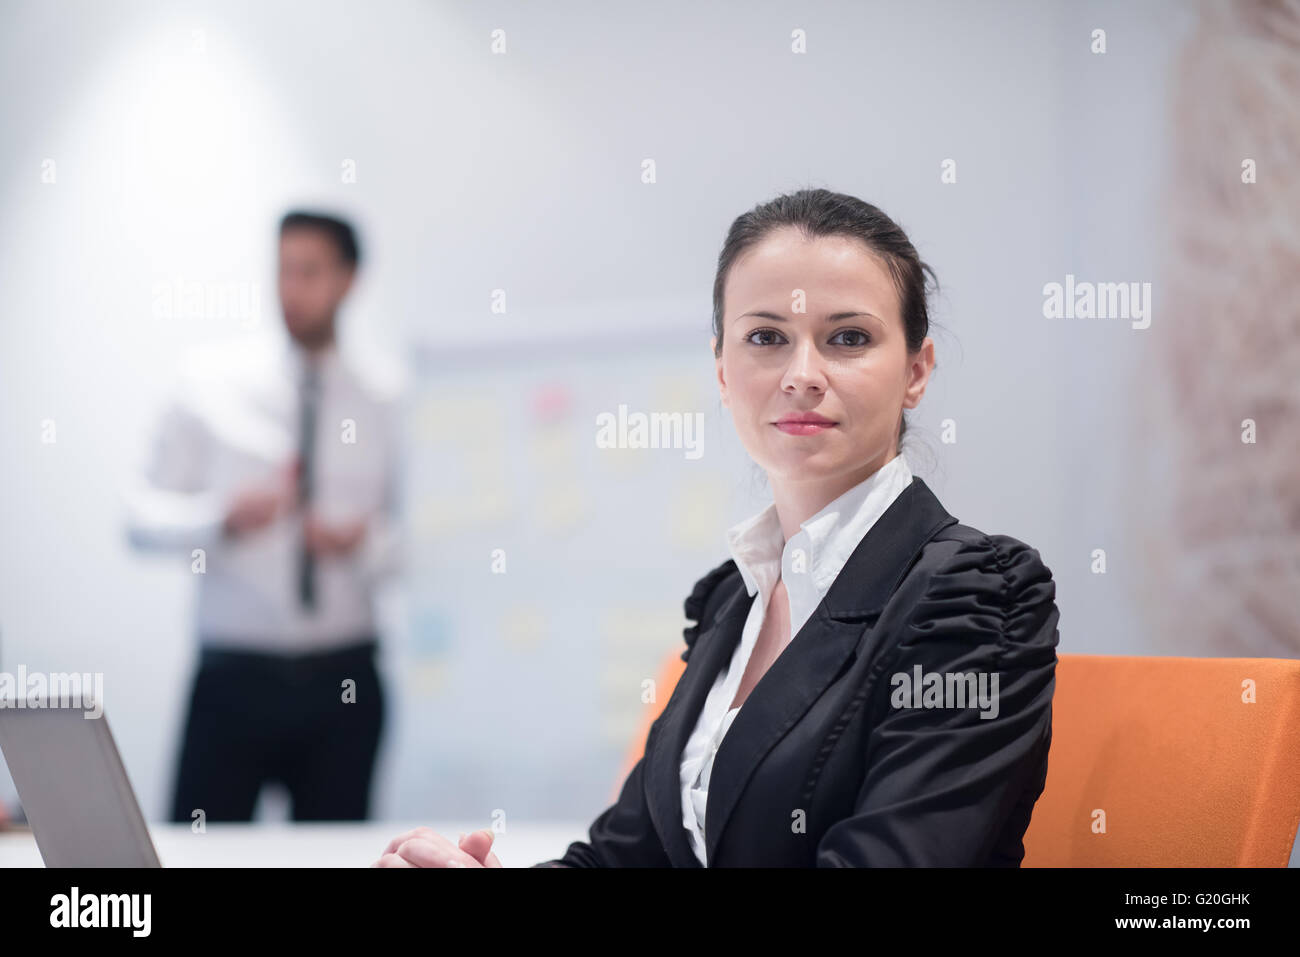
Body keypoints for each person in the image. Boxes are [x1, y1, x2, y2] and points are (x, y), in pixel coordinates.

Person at [374, 188, 1059, 867]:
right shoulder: (734, 602)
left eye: (848, 337)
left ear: (916, 370)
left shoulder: (975, 598)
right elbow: (629, 856)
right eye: (766, 337)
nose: (802, 374)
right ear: (722, 371)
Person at [126, 211, 403, 823]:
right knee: (200, 856)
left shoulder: (389, 396)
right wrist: (218, 519)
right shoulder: (209, 383)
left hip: (344, 681)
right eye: (282, 270)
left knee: (339, 863)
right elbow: (138, 519)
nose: (291, 290)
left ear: (349, 280)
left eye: (309, 272)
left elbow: (423, 542)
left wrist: (363, 544)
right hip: (232, 680)